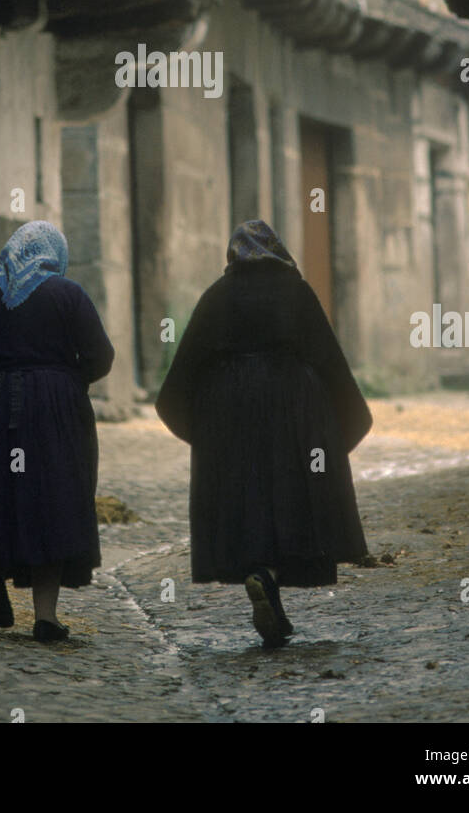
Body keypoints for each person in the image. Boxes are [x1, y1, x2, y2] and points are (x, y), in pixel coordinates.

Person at [155, 218, 372, 648]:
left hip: (228, 414)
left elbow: (181, 376)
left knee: (251, 505)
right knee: (291, 502)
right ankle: (267, 578)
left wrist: (204, 433)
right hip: (296, 410)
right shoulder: (297, 292)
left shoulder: (216, 297)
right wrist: (340, 425)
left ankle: (264, 579)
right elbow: (329, 360)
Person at [0, 220, 115, 642]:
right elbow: (100, 355)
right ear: (53, 253)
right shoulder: (67, 293)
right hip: (49, 411)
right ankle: (46, 617)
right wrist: (69, 381)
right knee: (49, 501)